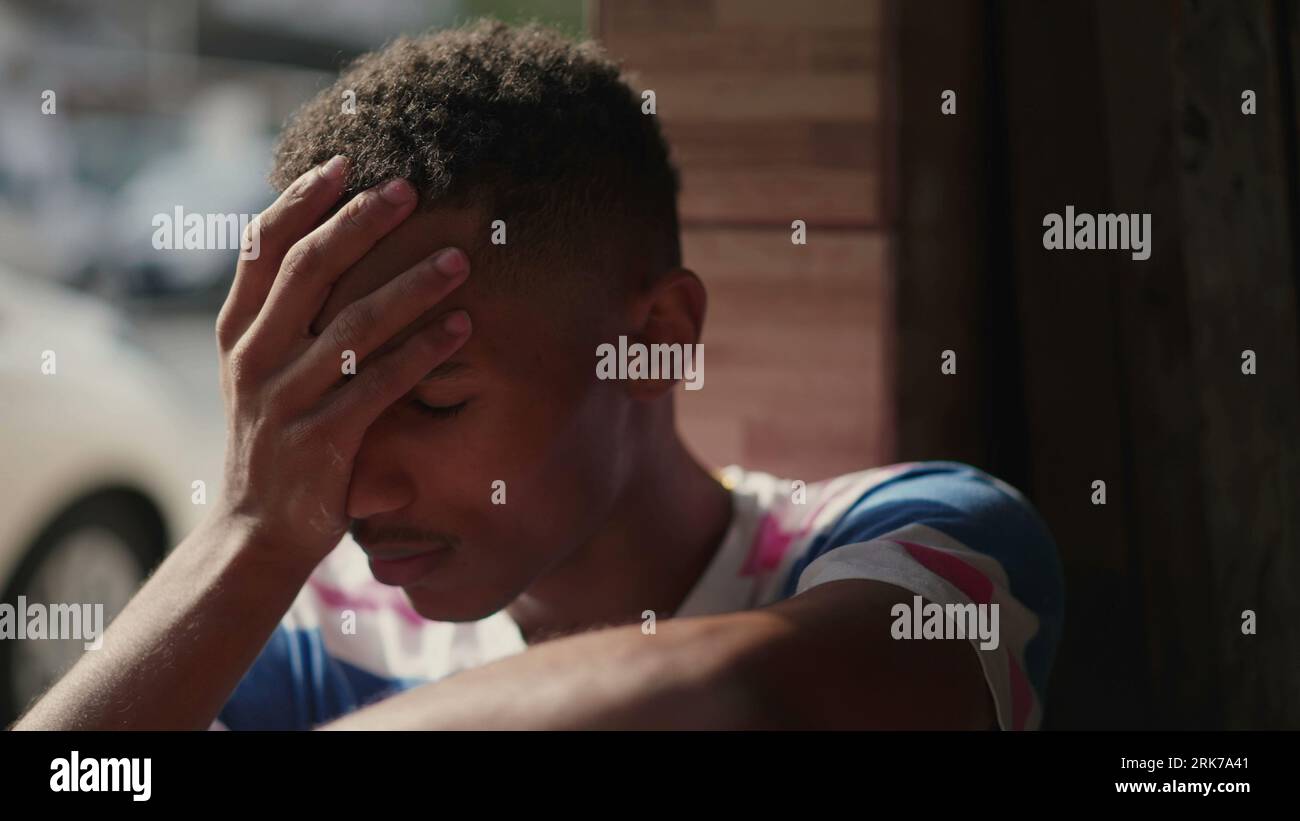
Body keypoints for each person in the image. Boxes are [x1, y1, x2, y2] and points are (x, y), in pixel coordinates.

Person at [14, 20, 1062, 731]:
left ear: (654, 336)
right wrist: (249, 530)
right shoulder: (329, 632)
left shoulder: (914, 537)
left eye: (432, 396)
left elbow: (753, 692)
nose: (356, 490)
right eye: (321, 404)